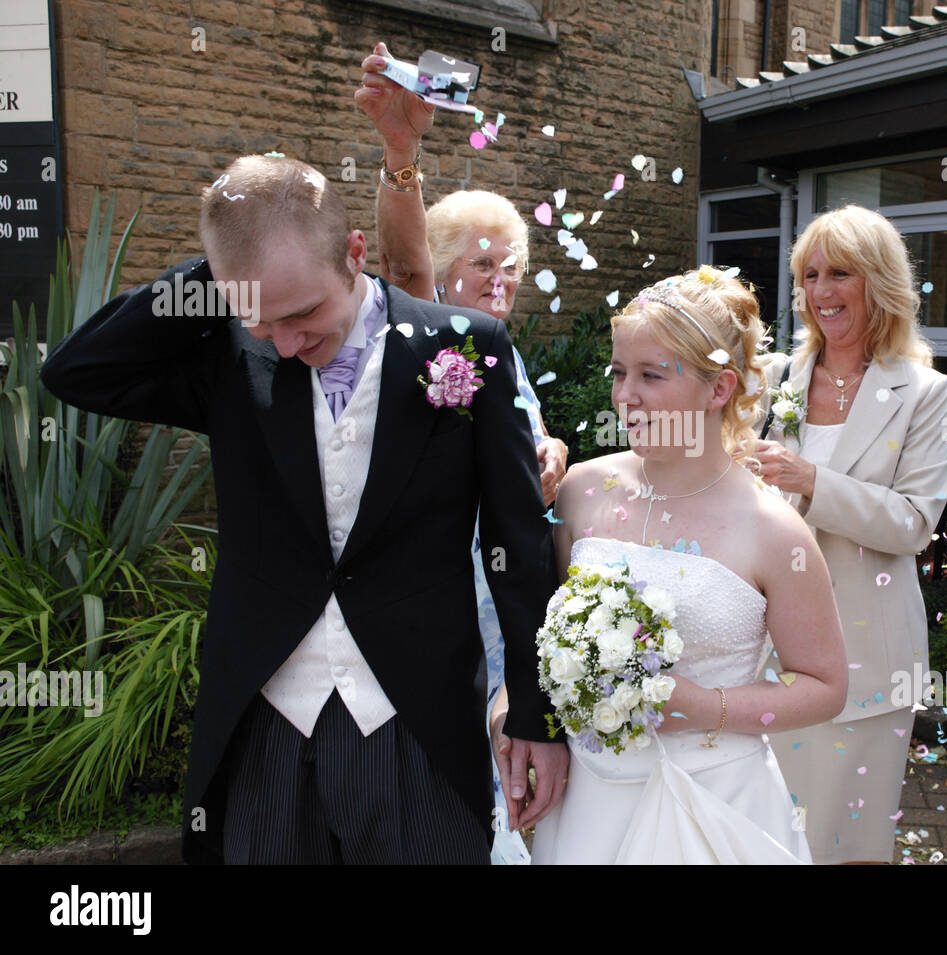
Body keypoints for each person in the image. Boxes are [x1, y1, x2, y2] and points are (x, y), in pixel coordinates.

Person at [39, 154, 568, 863]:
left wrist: (537, 715)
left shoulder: (466, 347)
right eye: (262, 322)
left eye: (303, 313)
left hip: (420, 726)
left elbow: (519, 543)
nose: (287, 342)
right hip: (266, 727)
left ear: (354, 253)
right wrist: (225, 261)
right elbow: (75, 370)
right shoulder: (229, 358)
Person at [502, 266, 847, 864]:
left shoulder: (772, 530)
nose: (623, 396)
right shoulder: (583, 491)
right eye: (618, 373)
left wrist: (704, 707)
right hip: (587, 802)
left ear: (719, 389)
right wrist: (517, 714)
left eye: (651, 376)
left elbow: (825, 687)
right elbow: (543, 634)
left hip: (713, 802)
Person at [357, 50, 568, 861]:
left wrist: (547, 449)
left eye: (511, 264)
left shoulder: (504, 353)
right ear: (445, 275)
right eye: (483, 263)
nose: (502, 277)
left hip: (506, 583)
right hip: (441, 586)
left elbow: (512, 450)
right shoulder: (425, 333)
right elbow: (402, 267)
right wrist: (401, 158)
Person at [751, 204, 947, 864]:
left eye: (841, 273)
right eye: (809, 274)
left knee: (851, 841)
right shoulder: (778, 378)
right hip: (775, 651)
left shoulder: (923, 390)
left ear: (879, 282)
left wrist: (813, 480)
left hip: (870, 661)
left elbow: (915, 522)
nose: (822, 292)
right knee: (776, 833)